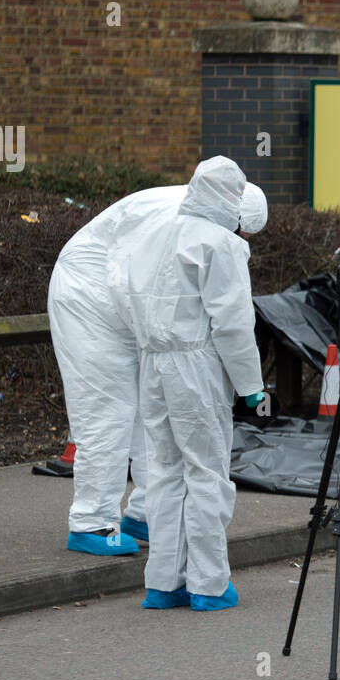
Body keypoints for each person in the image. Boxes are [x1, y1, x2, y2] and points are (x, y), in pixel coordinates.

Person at [48, 177, 268, 557]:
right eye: (243, 234)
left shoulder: (199, 214)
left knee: (152, 411)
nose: (243, 243)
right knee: (109, 409)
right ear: (230, 217)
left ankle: (148, 514)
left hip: (124, 299)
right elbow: (153, 291)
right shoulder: (179, 222)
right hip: (88, 294)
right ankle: (92, 522)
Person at [107, 156, 266, 610]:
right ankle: (209, 584)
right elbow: (232, 323)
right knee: (206, 471)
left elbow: (125, 294)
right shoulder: (221, 244)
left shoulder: (155, 234)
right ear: (231, 198)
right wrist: (251, 384)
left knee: (163, 471)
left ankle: (162, 581)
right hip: (195, 365)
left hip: (152, 362)